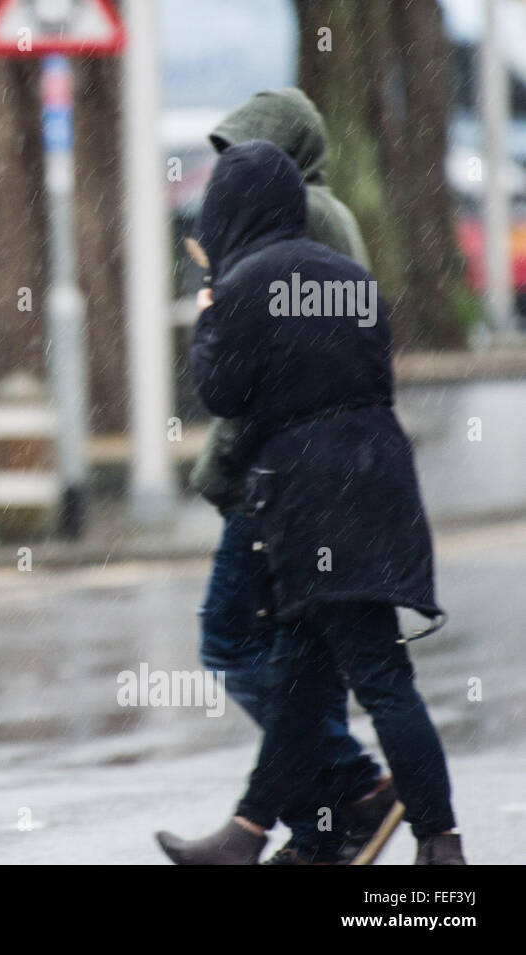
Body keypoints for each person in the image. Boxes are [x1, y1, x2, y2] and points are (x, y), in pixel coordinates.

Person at [183, 139, 465, 865]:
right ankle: (245, 834)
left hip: (311, 498)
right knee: (302, 684)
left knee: (380, 678)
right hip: (377, 480)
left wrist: (208, 316)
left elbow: (222, 394)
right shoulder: (350, 277)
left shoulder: (245, 282)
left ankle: (440, 840)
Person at [159, 89, 393, 865]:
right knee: (304, 663)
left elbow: (255, 374)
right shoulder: (320, 216)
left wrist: (226, 467)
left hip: (281, 481)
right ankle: (324, 832)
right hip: (307, 475)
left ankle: (355, 787)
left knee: (228, 641)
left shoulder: (306, 220)